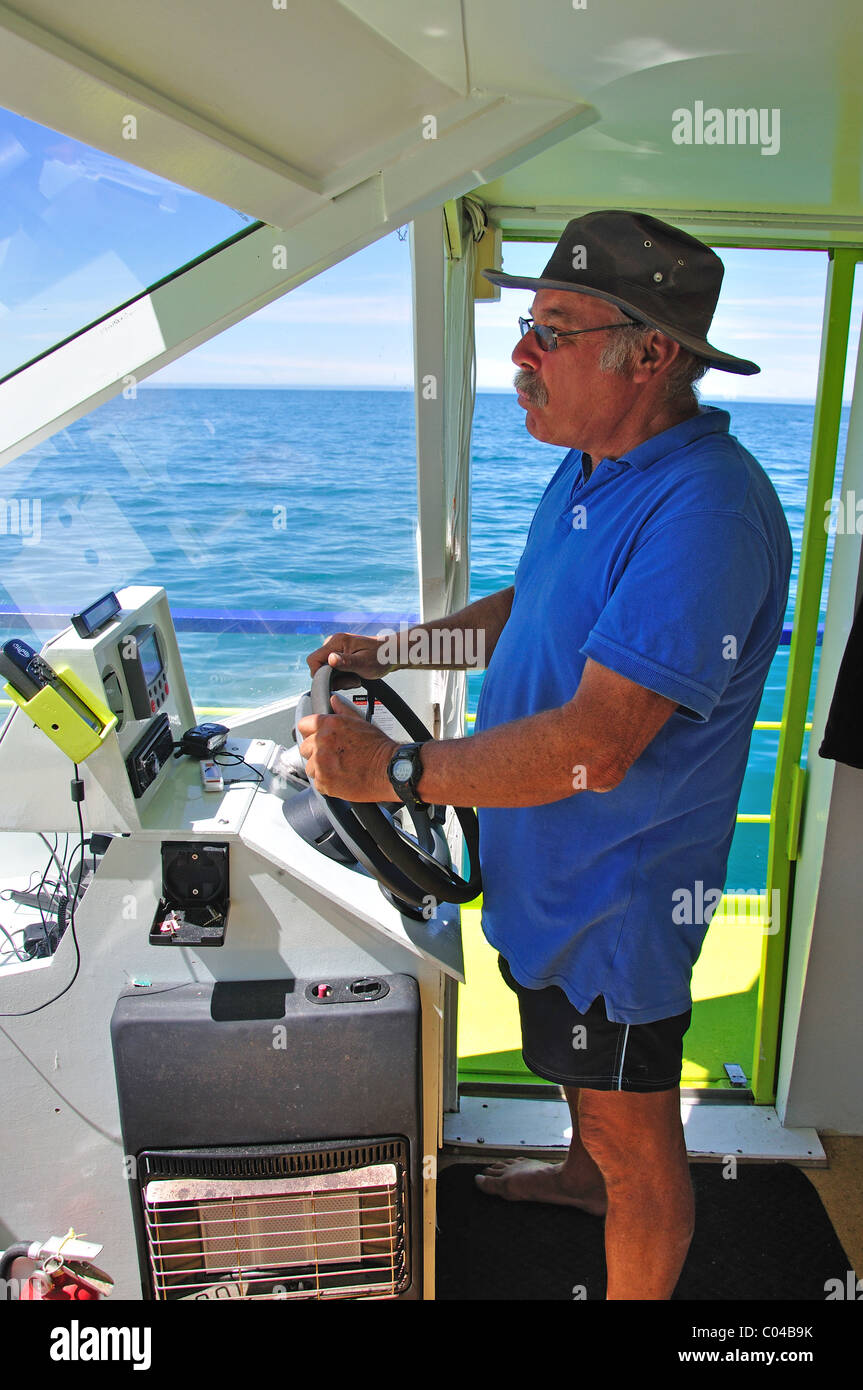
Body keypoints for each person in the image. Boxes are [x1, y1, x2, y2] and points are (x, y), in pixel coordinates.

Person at [299, 209, 792, 1300]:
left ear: (648, 353)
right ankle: (578, 1177)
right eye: (527, 325)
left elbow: (596, 747)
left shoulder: (703, 510)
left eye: (551, 332)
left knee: (635, 1135)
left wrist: (389, 771)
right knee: (580, 1093)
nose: (520, 356)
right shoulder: (593, 469)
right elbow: (532, 609)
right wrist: (397, 649)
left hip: (615, 901)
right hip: (548, 874)